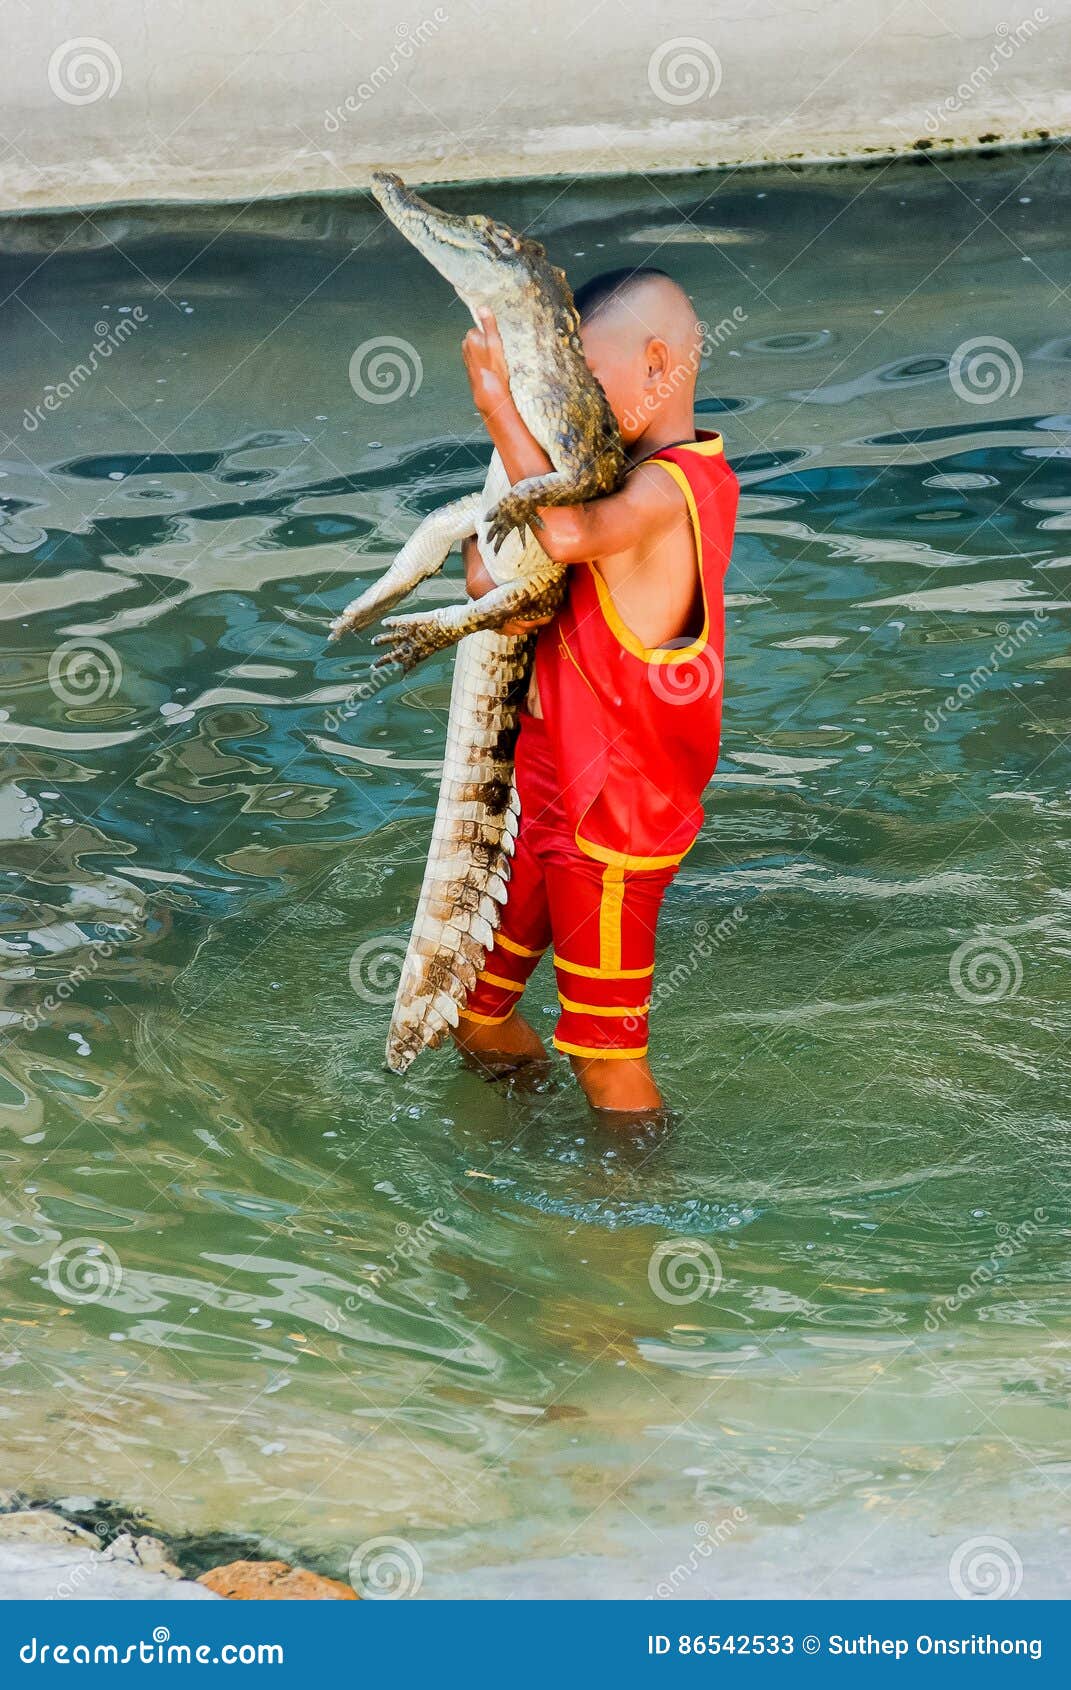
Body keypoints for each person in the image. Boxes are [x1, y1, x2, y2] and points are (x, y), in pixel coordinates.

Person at [453, 267, 738, 1118]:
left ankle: (626, 1224)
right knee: (472, 1010)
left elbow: (567, 534)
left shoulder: (673, 487)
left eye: (575, 381)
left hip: (611, 827)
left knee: (605, 1062)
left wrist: (499, 409)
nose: (555, 401)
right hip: (549, 805)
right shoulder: (605, 481)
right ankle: (515, 1160)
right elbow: (490, 589)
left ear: (658, 368)